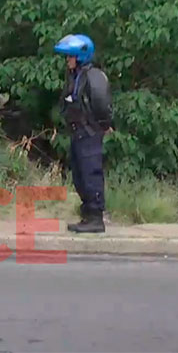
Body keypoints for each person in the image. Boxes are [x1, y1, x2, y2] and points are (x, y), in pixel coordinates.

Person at [54, 34, 114, 233]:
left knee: (90, 173)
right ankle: (87, 214)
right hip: (78, 132)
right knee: (79, 175)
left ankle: (96, 218)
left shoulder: (93, 76)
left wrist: (104, 125)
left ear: (80, 57)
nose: (68, 60)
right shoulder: (75, 77)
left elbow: (102, 103)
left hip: (89, 133)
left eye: (70, 57)